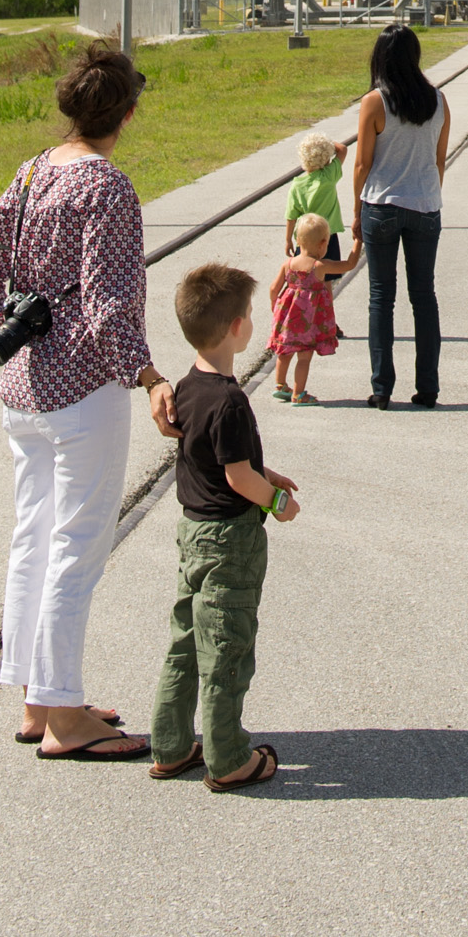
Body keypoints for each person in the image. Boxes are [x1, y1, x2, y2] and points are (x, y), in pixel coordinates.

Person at [0, 42, 176, 762]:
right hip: (82, 393)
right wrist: (148, 377)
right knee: (76, 549)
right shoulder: (107, 187)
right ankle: (64, 718)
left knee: (34, 539)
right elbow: (111, 304)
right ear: (128, 113)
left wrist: (13, 326)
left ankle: (37, 699)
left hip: (24, 389)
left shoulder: (33, 171)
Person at [150, 262, 298, 789]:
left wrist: (264, 472)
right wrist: (276, 500)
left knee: (186, 641)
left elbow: (212, 458)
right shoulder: (231, 400)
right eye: (250, 314)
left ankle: (170, 746)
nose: (252, 321)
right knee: (227, 647)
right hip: (231, 540)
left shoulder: (186, 388)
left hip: (193, 533)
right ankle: (229, 758)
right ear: (237, 328)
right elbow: (237, 478)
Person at [352, 23, 451, 411]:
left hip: (381, 205)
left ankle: (382, 388)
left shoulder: (375, 102)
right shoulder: (438, 100)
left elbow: (362, 164)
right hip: (425, 205)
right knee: (424, 296)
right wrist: (428, 194)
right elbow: (439, 160)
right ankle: (428, 387)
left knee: (381, 297)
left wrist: (356, 211)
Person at [267, 213, 361, 402]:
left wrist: (275, 307)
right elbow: (349, 264)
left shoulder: (288, 264)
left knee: (285, 351)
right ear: (323, 243)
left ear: (298, 240)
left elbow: (273, 288)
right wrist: (358, 241)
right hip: (307, 323)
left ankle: (280, 384)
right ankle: (298, 394)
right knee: (304, 356)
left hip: (287, 319)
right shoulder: (319, 266)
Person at [285, 131, 350, 263]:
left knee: (304, 271)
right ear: (326, 159)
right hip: (328, 236)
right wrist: (325, 143)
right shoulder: (328, 176)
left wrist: (288, 240)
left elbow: (291, 217)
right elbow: (342, 149)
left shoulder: (297, 185)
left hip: (305, 238)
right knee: (329, 272)